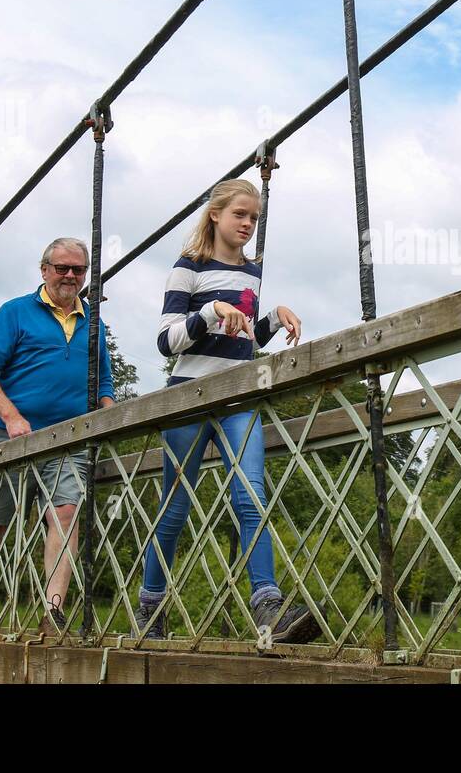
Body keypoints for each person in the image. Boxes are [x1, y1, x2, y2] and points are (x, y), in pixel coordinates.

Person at [135, 178, 318, 645]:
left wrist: (275, 317)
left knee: (251, 495)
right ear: (215, 214)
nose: (248, 225)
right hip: (188, 397)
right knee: (175, 508)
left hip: (239, 396)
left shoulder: (253, 272)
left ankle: (269, 608)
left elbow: (246, 342)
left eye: (254, 218)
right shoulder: (187, 269)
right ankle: (150, 608)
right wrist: (210, 311)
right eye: (240, 215)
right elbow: (166, 340)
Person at [0, 238, 115, 635]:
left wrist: (109, 417)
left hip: (68, 438)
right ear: (44, 269)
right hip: (11, 436)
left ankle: (53, 612)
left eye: (78, 270)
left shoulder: (94, 321)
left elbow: (103, 382)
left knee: (66, 513)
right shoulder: (15, 312)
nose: (70, 276)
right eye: (62, 268)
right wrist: (11, 416)